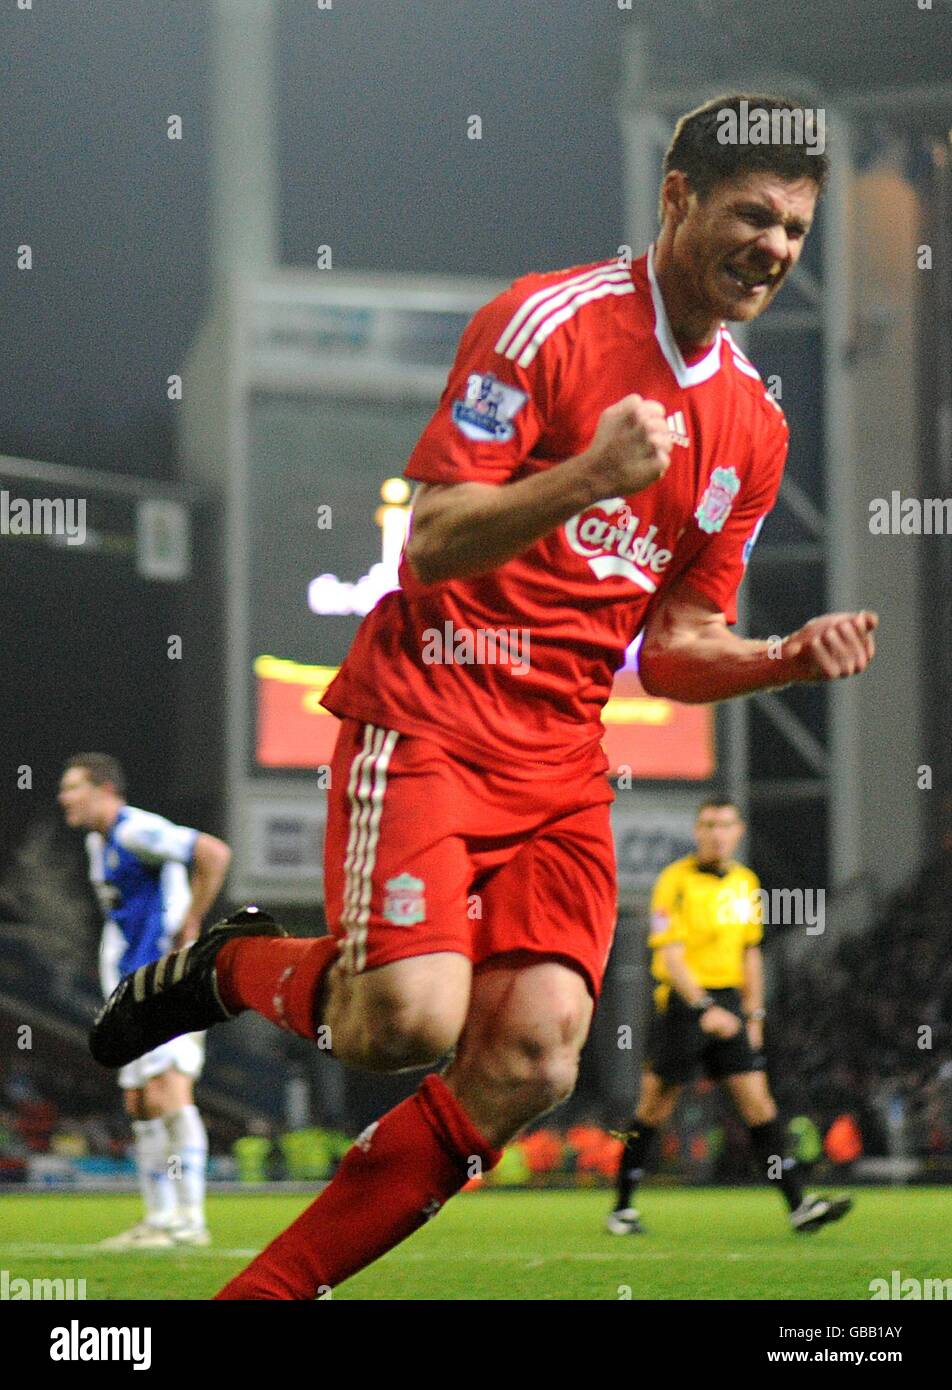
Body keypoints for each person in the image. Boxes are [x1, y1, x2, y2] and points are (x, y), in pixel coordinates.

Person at [91, 92, 877, 1298]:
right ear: (676, 200)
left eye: (794, 229)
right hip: (429, 715)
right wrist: (589, 476)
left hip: (561, 757)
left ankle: (260, 1295)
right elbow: (434, 540)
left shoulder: (752, 430)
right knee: (398, 1023)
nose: (773, 245)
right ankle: (234, 969)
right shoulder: (544, 321)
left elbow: (672, 650)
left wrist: (782, 657)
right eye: (751, 213)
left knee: (533, 1056)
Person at [608, 798, 852, 1235]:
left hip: (730, 1006)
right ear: (696, 831)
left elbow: (749, 952)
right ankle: (621, 1209)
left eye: (723, 825)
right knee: (653, 1108)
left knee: (760, 1106)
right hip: (684, 1004)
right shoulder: (674, 881)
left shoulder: (745, 883)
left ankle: (799, 1204)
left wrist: (753, 1014)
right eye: (706, 825)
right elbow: (669, 953)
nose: (715, 833)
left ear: (737, 831)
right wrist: (704, 1008)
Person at [60, 753, 231, 1247]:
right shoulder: (99, 843)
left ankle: (190, 1220)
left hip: (168, 982)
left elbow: (213, 854)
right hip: (131, 987)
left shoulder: (138, 830)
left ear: (105, 789)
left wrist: (193, 920)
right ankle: (159, 1220)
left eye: (73, 787)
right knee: (139, 1101)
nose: (64, 797)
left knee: (169, 1089)